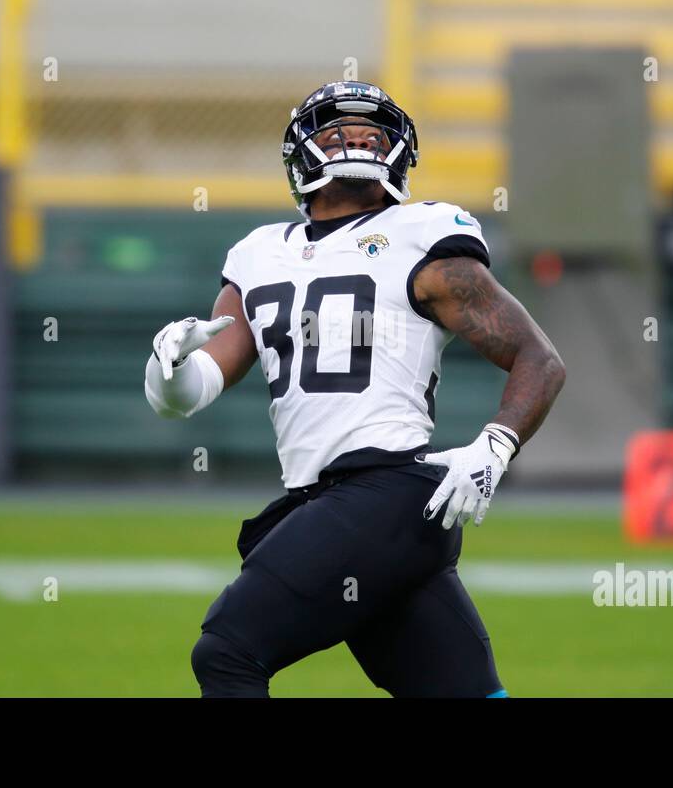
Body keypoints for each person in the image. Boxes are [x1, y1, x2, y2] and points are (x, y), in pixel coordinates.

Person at [144, 81, 565, 697]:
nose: (361, 136)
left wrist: (493, 448)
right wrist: (167, 370)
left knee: (228, 650)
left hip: (388, 488)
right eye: (337, 127)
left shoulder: (421, 235)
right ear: (300, 152)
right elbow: (189, 393)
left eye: (375, 129)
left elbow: (539, 358)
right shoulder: (258, 255)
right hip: (346, 511)